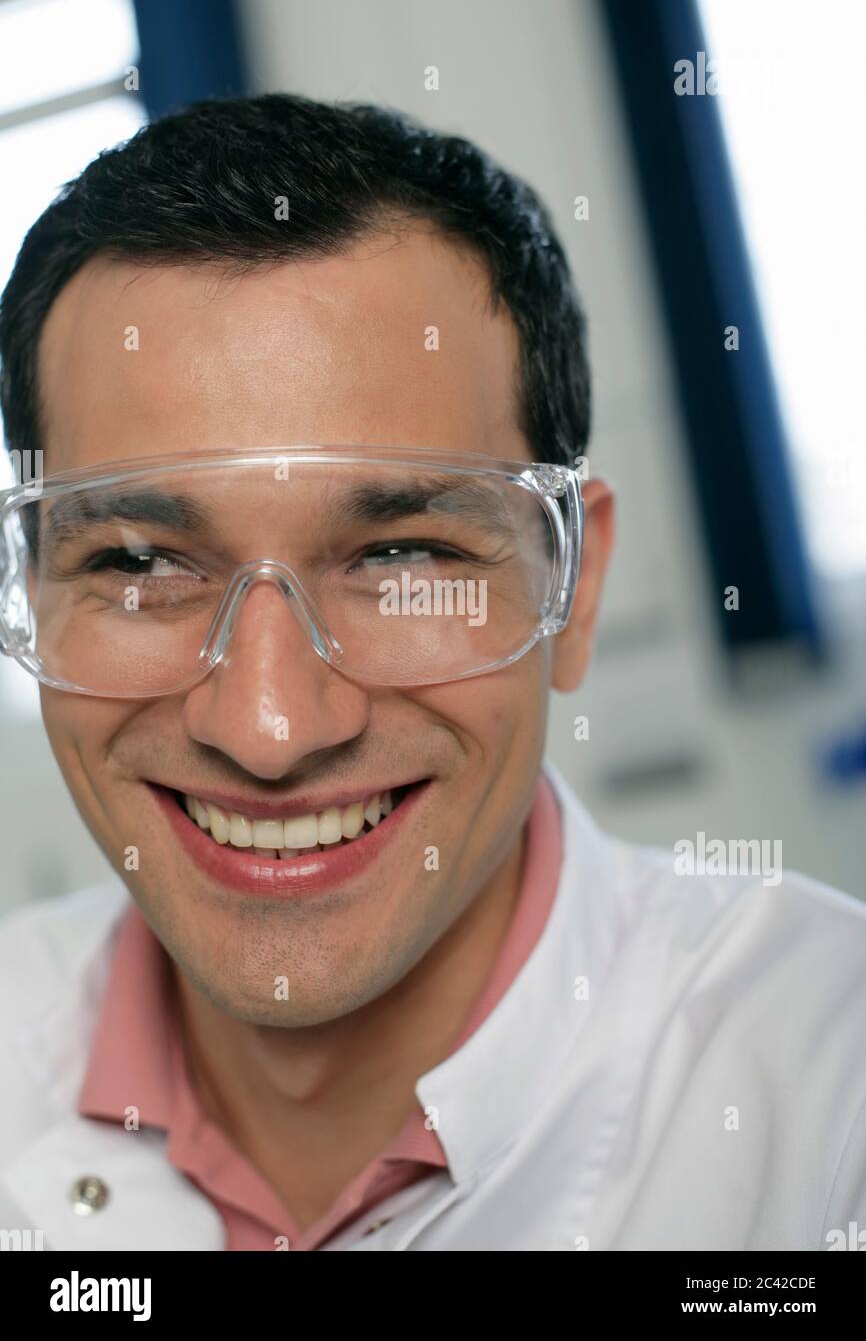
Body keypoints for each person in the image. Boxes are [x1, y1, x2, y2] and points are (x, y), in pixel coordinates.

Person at [0, 94, 863, 1253]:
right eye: (140, 562)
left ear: (574, 589)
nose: (266, 725)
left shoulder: (829, 1094)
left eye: (400, 555)